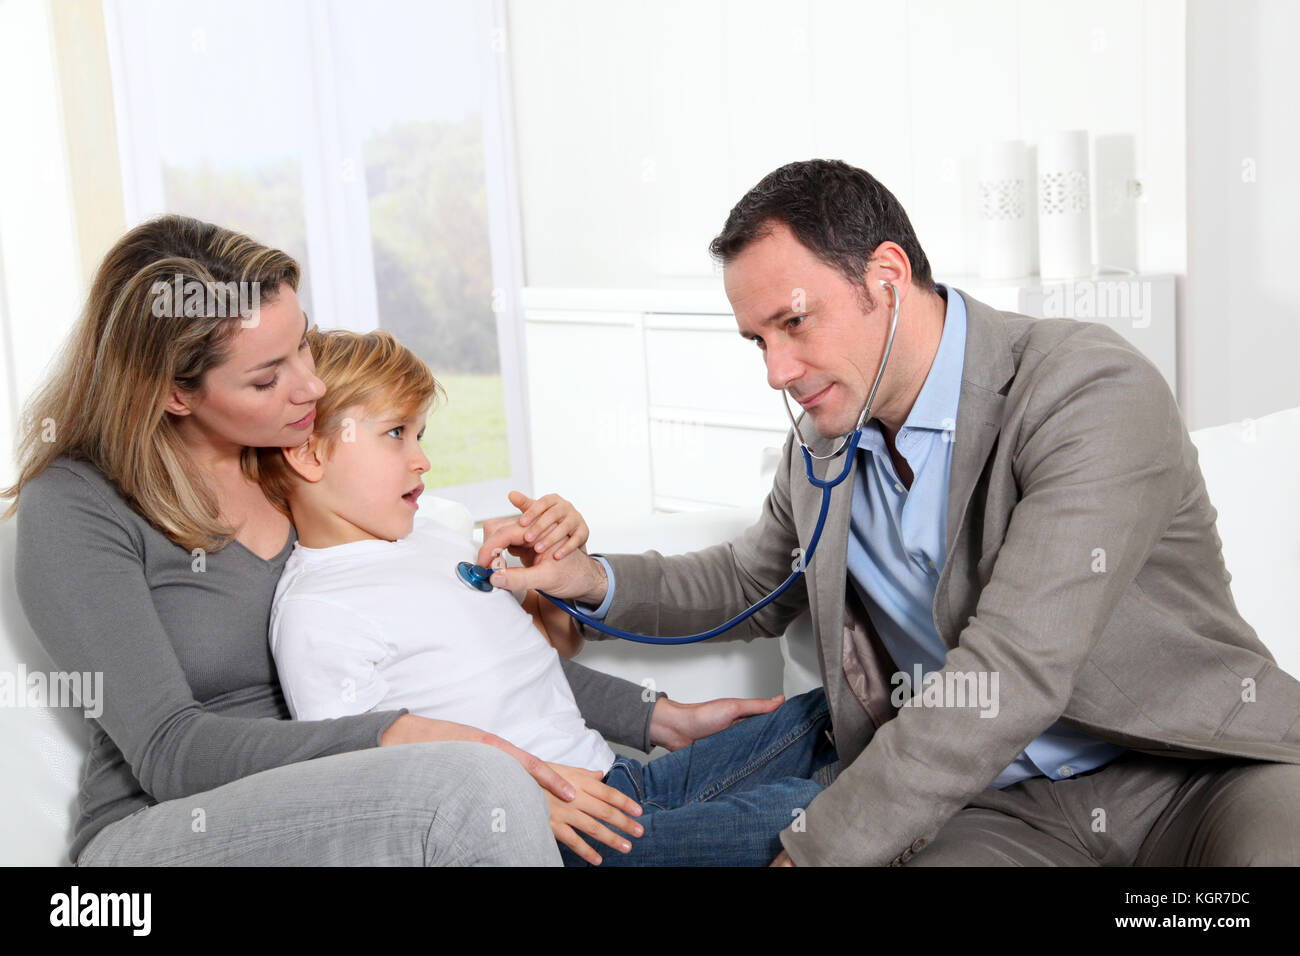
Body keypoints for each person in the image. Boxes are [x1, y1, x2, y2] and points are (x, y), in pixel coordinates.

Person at [480, 159, 1300, 867]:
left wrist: (814, 851)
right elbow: (748, 579)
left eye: (793, 323)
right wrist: (587, 578)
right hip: (993, 809)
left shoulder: (1085, 392)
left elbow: (1012, 670)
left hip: (1194, 774)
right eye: (756, 341)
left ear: (886, 277)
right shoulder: (824, 444)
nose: (777, 370)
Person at [3, 215, 764, 866]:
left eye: (301, 344)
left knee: (812, 741)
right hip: (164, 833)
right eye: (267, 377)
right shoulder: (76, 507)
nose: (307, 387)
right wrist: (400, 736)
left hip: (360, 792)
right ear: (173, 392)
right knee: (476, 785)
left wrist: (655, 714)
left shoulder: (296, 458)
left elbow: (458, 660)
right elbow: (169, 751)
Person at [260, 327, 839, 866]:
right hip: (558, 838)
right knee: (815, 811)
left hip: (619, 785)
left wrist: (552, 576)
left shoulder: (431, 532)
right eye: (395, 434)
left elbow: (539, 657)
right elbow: (362, 800)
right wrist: (515, 810)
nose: (422, 459)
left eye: (420, 434)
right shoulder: (318, 612)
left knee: (836, 713)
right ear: (309, 453)